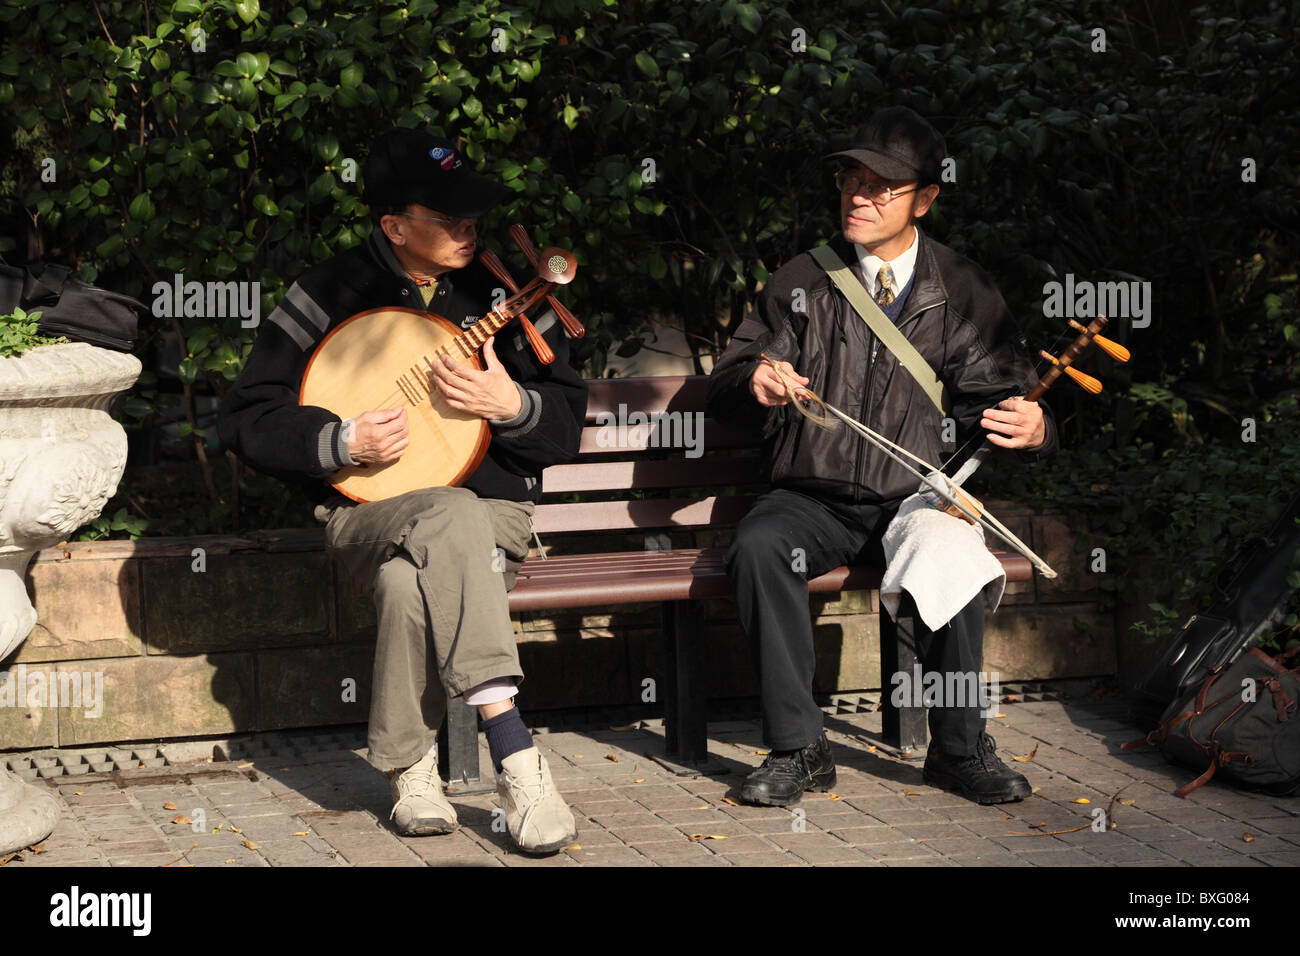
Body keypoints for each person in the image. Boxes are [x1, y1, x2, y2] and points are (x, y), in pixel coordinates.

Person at [218, 127, 586, 854]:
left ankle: (410, 767)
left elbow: (566, 426)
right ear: (393, 225)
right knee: (442, 517)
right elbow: (246, 420)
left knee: (407, 579)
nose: (468, 230)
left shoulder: (506, 292)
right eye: (447, 218)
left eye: (472, 215)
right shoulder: (327, 292)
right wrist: (340, 442)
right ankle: (518, 757)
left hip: (496, 519)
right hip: (366, 513)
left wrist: (510, 408)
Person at [707, 106, 1057, 806]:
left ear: (925, 198)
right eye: (852, 181)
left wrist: (1034, 425)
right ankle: (799, 748)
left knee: (952, 546)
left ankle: (959, 751)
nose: (859, 197)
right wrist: (757, 381)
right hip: (814, 495)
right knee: (759, 545)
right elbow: (729, 378)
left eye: (882, 187)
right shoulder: (801, 279)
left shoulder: (964, 289)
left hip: (915, 494)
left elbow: (1001, 402)